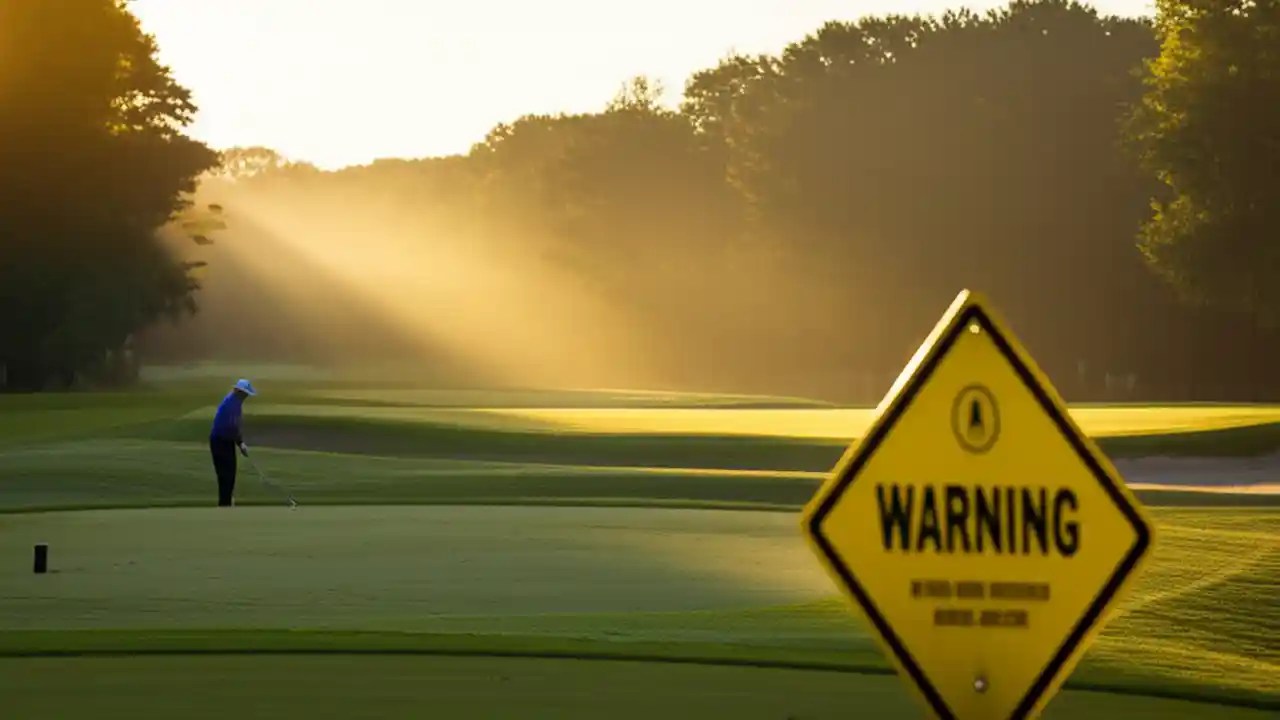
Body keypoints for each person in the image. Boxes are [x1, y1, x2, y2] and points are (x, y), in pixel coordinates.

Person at [209, 378, 256, 506]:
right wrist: (240, 444)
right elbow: (231, 427)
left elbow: (234, 427)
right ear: (239, 391)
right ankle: (225, 504)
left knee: (229, 475)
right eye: (245, 393)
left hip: (224, 440)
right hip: (220, 441)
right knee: (226, 476)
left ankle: (226, 502)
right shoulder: (232, 404)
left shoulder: (234, 401)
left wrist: (240, 443)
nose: (246, 396)